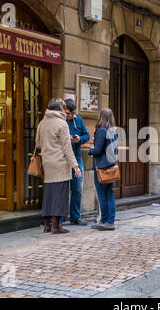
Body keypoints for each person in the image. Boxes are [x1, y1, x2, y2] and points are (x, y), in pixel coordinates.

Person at [36, 98, 82, 234]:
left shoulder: (42, 123)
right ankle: (56, 226)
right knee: (60, 195)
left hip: (47, 162)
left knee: (49, 194)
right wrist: (75, 166)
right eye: (63, 107)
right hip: (60, 163)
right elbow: (67, 148)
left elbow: (37, 143)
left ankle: (47, 225)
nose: (64, 110)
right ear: (59, 109)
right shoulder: (62, 124)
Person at [88, 108, 118, 231]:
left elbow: (98, 150)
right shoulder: (113, 131)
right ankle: (108, 221)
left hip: (102, 167)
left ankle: (105, 221)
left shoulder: (101, 131)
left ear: (101, 117)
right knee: (109, 193)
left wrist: (90, 150)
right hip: (111, 165)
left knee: (102, 195)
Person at [64, 98, 90, 226]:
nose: (69, 115)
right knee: (62, 190)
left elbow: (87, 135)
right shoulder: (60, 121)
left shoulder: (78, 120)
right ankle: (60, 218)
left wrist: (79, 139)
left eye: (71, 113)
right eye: (67, 113)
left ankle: (75, 217)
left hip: (77, 158)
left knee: (77, 189)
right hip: (62, 160)